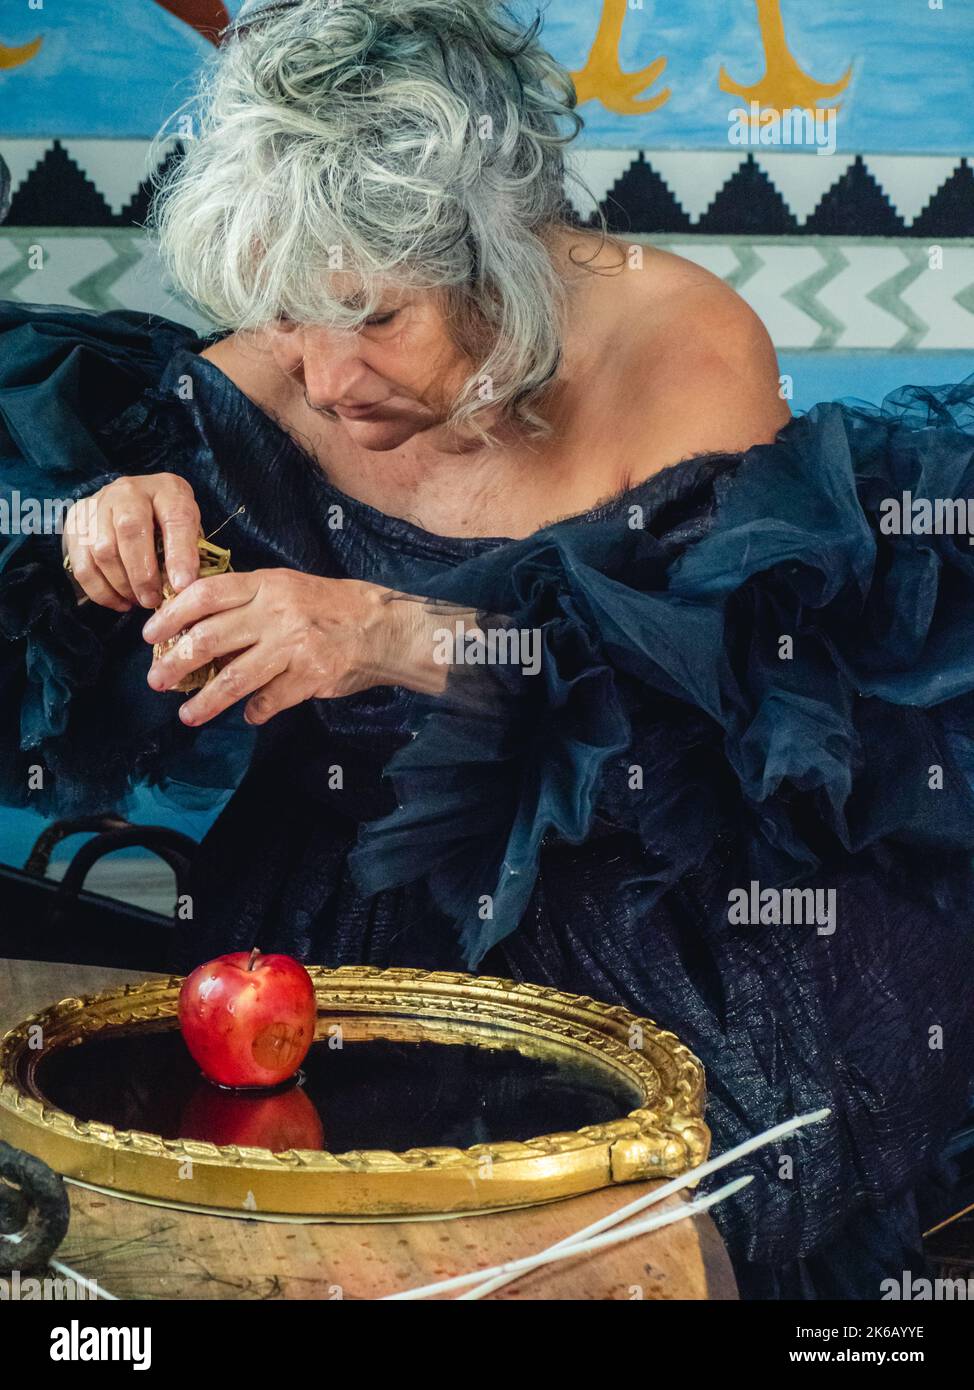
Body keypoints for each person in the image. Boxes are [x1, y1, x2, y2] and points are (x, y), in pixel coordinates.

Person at [1, 0, 972, 1299]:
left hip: (661, 906)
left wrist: (401, 635)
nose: (326, 372)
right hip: (352, 907)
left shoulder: (675, 346)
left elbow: (732, 721)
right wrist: (101, 530)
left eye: (376, 318)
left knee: (602, 1251)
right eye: (288, 312)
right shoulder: (262, 371)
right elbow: (86, 636)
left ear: (500, 255)